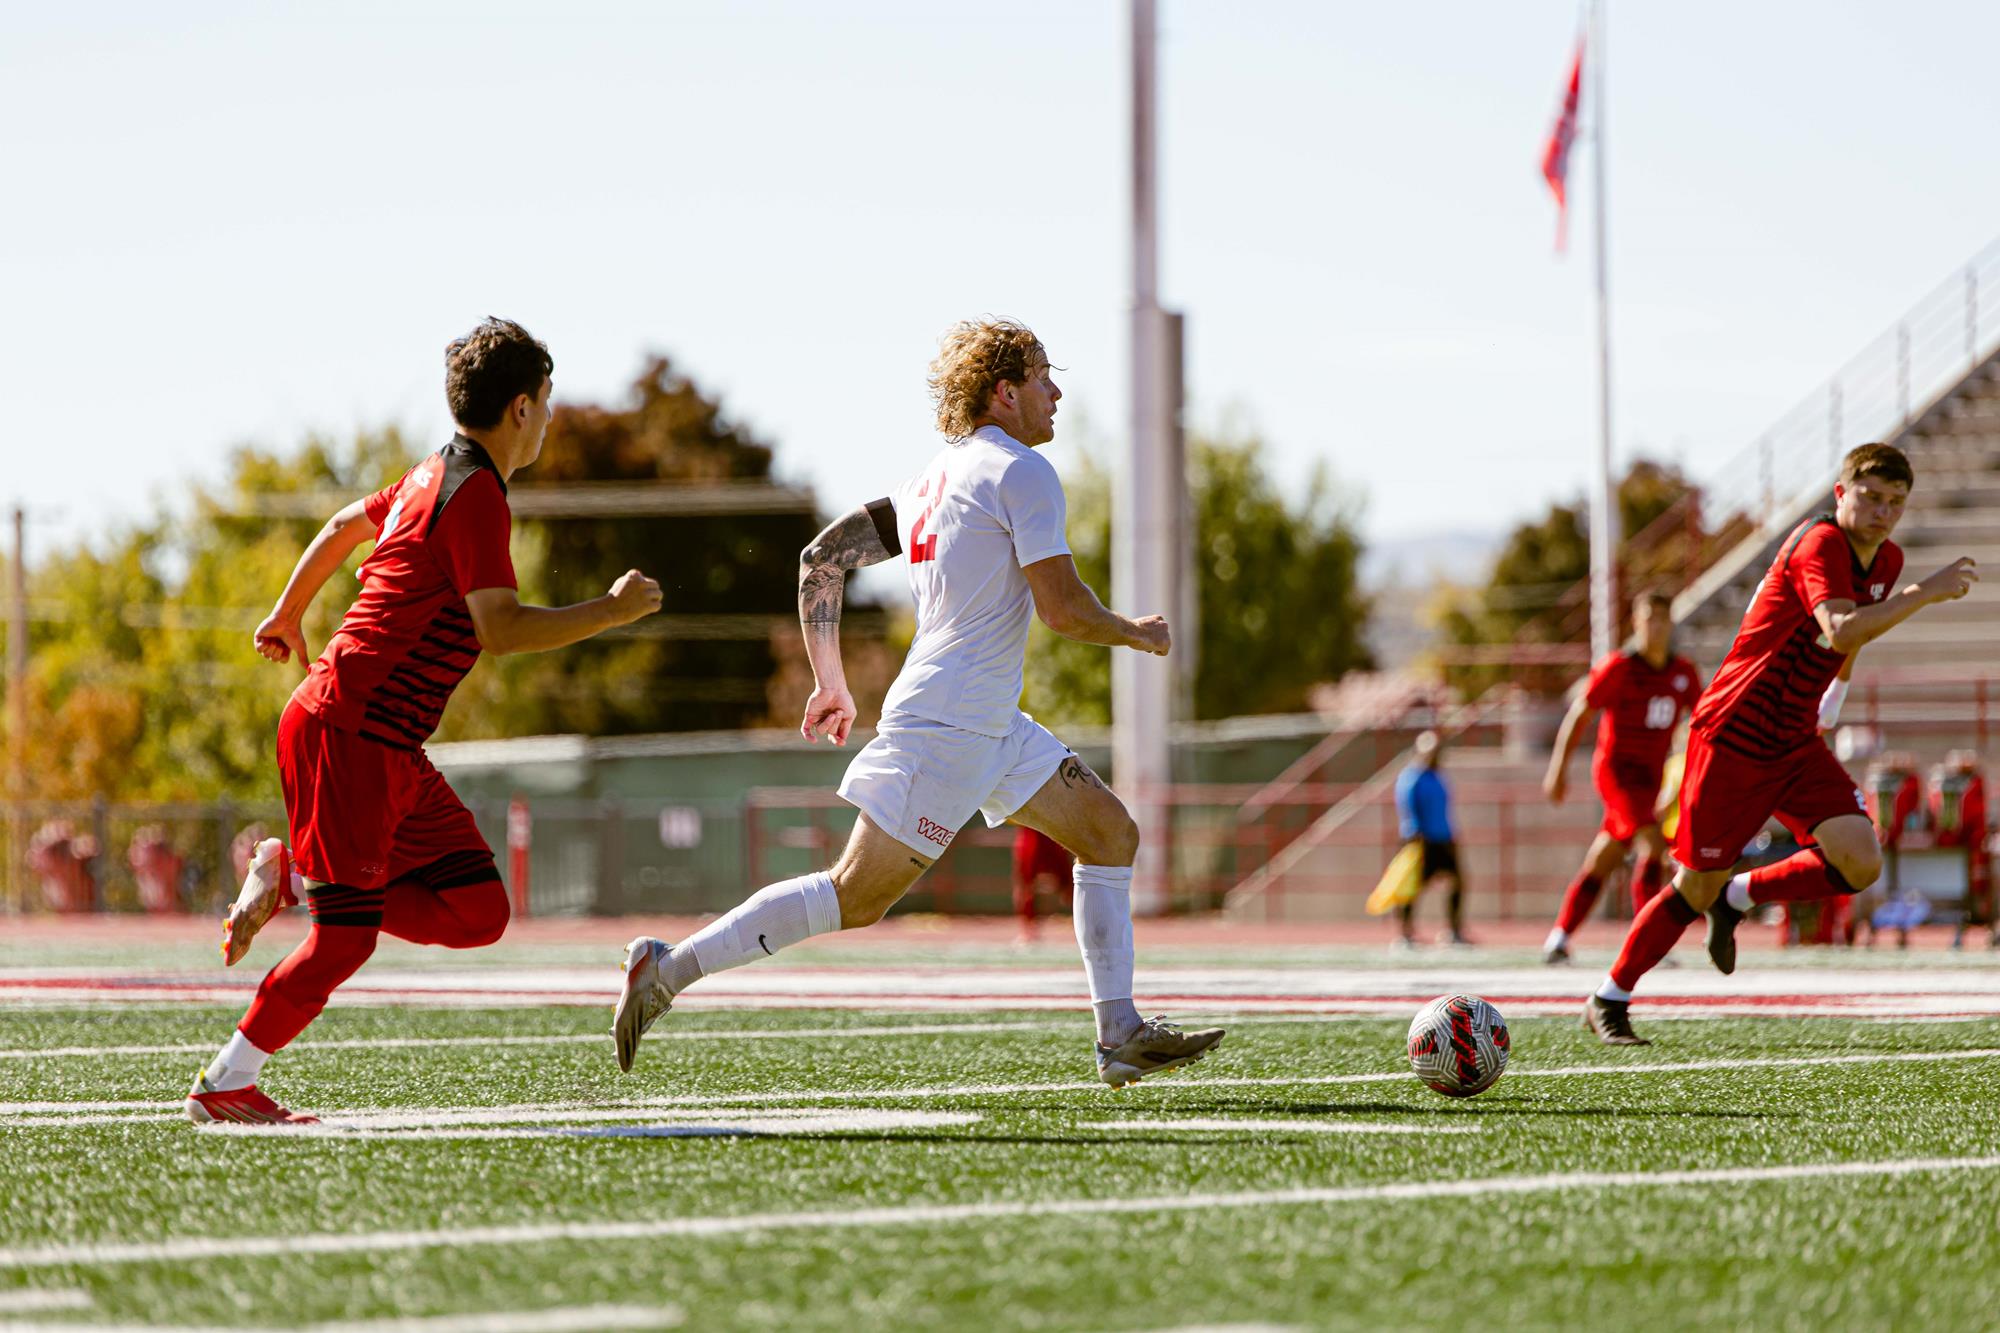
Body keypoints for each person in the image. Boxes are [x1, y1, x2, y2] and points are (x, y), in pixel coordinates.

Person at [612, 318, 1224, 1088]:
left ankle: (1120, 1033)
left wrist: (830, 678)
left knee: (1109, 834)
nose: (1056, 392)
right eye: (1042, 378)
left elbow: (822, 557)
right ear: (1004, 392)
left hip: (985, 719)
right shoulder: (1020, 472)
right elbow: (1063, 609)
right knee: (852, 895)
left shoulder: (934, 478)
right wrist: (1136, 632)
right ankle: (667, 969)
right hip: (952, 723)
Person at [187, 319, 663, 1124]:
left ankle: (299, 873)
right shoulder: (473, 493)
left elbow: (343, 524)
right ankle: (223, 1082)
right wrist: (610, 613)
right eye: (546, 402)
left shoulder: (433, 473)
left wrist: (287, 611)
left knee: (479, 909)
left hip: (382, 741)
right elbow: (501, 630)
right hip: (351, 730)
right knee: (347, 939)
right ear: (520, 408)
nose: (548, 418)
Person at [1582, 443, 1976, 1044]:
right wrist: (1926, 592)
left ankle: (1741, 894)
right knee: (1693, 884)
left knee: (1861, 858)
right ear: (1841, 494)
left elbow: (1853, 638)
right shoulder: (1818, 543)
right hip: (1733, 734)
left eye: (1895, 502)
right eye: (1871, 497)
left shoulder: (1887, 559)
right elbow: (1840, 626)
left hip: (1793, 737)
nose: (1883, 512)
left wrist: (1833, 702)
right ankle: (1610, 996)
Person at [1540, 590, 1702, 964]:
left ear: (1670, 623)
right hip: (1616, 774)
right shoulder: (1619, 667)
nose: (1656, 626)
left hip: (1652, 778)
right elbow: (1579, 715)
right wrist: (1558, 769)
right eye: (1649, 618)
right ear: (1636, 622)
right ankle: (1650, 943)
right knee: (1653, 844)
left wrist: (1685, 778)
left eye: (1662, 619)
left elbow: (1701, 723)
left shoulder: (1683, 672)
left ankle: (1559, 937)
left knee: (1605, 856)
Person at [1391, 731, 1469, 949]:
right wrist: (1416, 837)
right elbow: (1409, 809)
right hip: (1420, 840)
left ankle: (1453, 930)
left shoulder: (1438, 777)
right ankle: (1405, 933)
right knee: (1411, 887)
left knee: (1458, 882)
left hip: (1443, 838)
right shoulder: (1411, 777)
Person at [1011, 825, 1074, 943]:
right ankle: (1027, 930)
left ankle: (1083, 925)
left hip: (1054, 834)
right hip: (1031, 832)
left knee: (1071, 883)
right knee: (1025, 885)